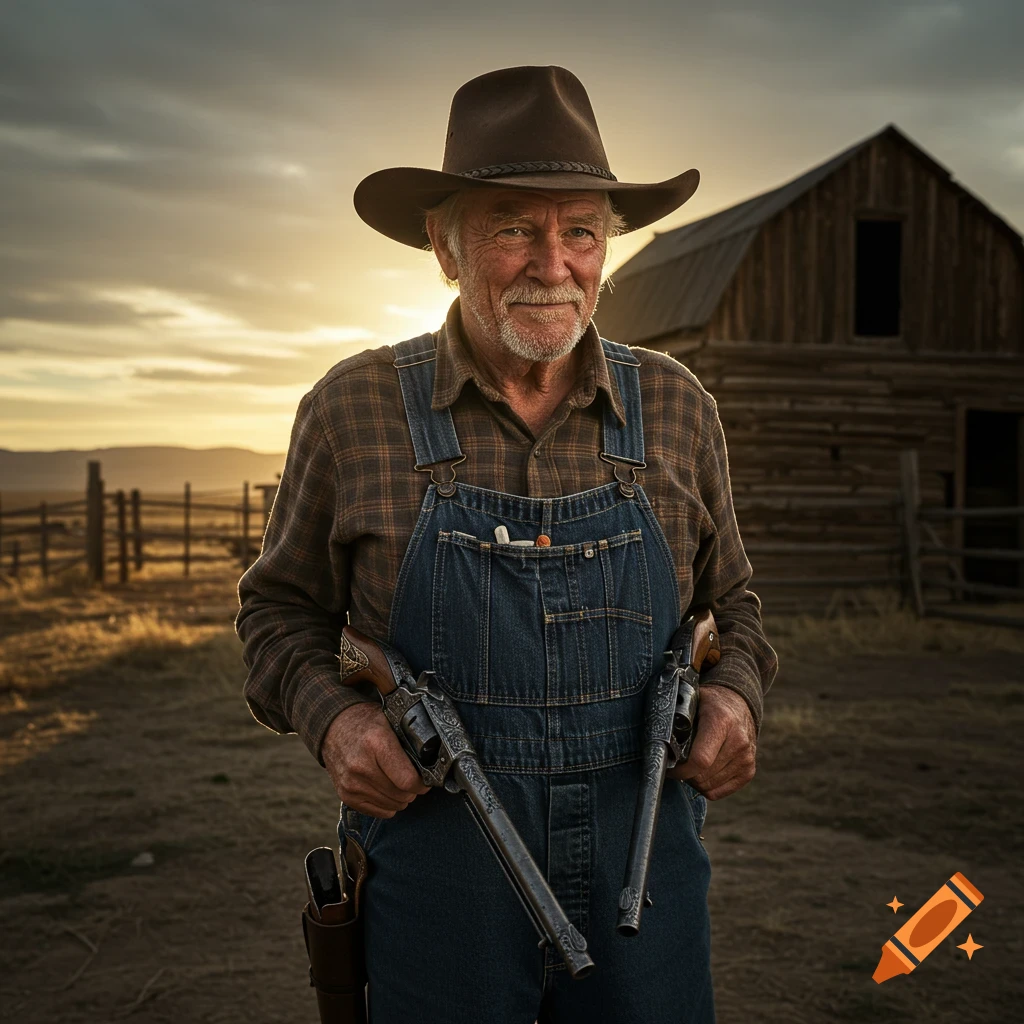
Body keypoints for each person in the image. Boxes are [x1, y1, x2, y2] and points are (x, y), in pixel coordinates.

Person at [236, 65, 778, 1024]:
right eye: (514, 229)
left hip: (644, 861)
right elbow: (278, 614)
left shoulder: (678, 407)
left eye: (581, 232)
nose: (552, 265)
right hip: (438, 864)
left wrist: (735, 695)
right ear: (445, 247)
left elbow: (732, 608)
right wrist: (339, 723)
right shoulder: (352, 409)